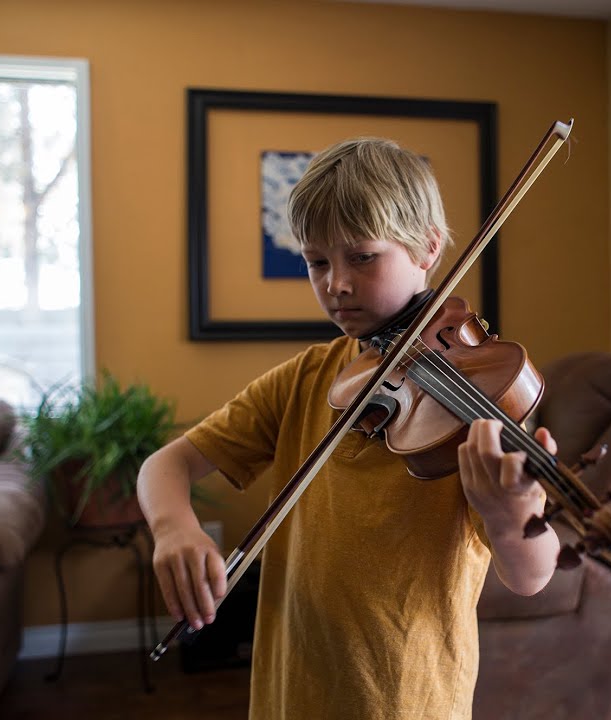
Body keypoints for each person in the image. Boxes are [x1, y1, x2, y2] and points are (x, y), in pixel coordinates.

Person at [137, 137, 563, 720]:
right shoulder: (307, 378)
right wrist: (173, 528)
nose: (336, 283)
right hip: (288, 692)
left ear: (428, 247)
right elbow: (166, 465)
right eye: (317, 262)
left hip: (405, 701)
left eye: (362, 257)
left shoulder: (476, 404)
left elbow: (532, 575)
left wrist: (511, 518)